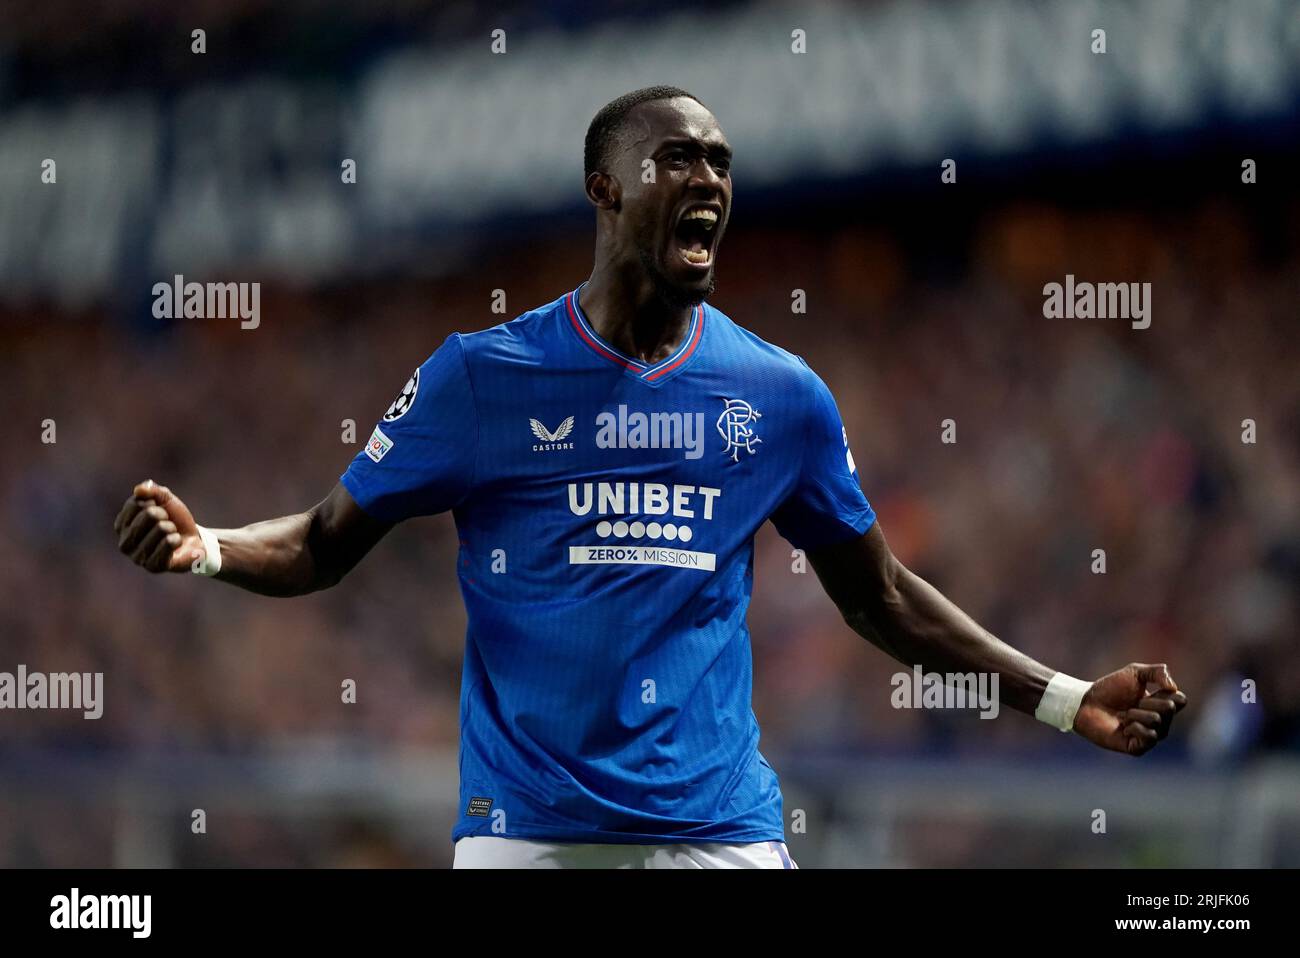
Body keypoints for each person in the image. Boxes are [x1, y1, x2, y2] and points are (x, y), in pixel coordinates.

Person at [115, 86, 1188, 869]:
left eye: (721, 162)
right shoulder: (482, 378)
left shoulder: (778, 396)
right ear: (605, 188)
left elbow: (885, 597)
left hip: (718, 834)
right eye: (677, 157)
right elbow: (318, 542)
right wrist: (206, 547)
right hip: (526, 836)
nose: (709, 179)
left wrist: (1059, 696)